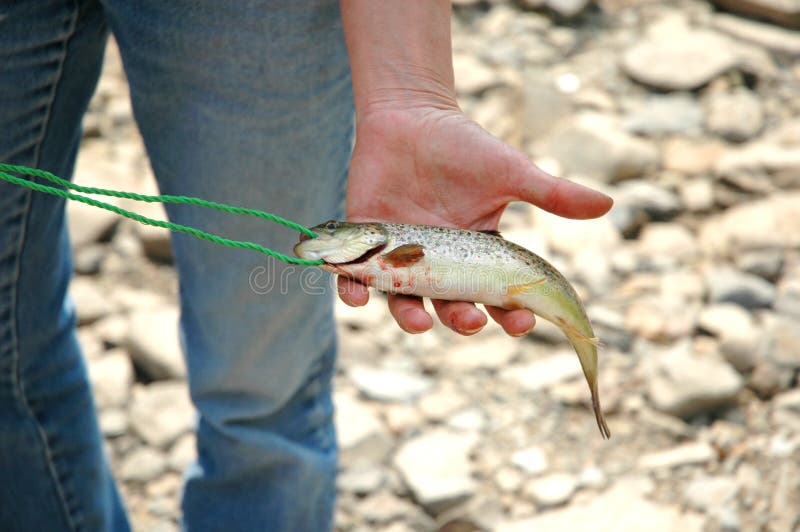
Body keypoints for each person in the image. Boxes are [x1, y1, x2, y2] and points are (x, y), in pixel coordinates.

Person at [0, 1, 612, 530]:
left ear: (361, 238)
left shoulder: (379, 249)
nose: (323, 238)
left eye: (333, 233)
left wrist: (409, 98)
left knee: (259, 385)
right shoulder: (373, 253)